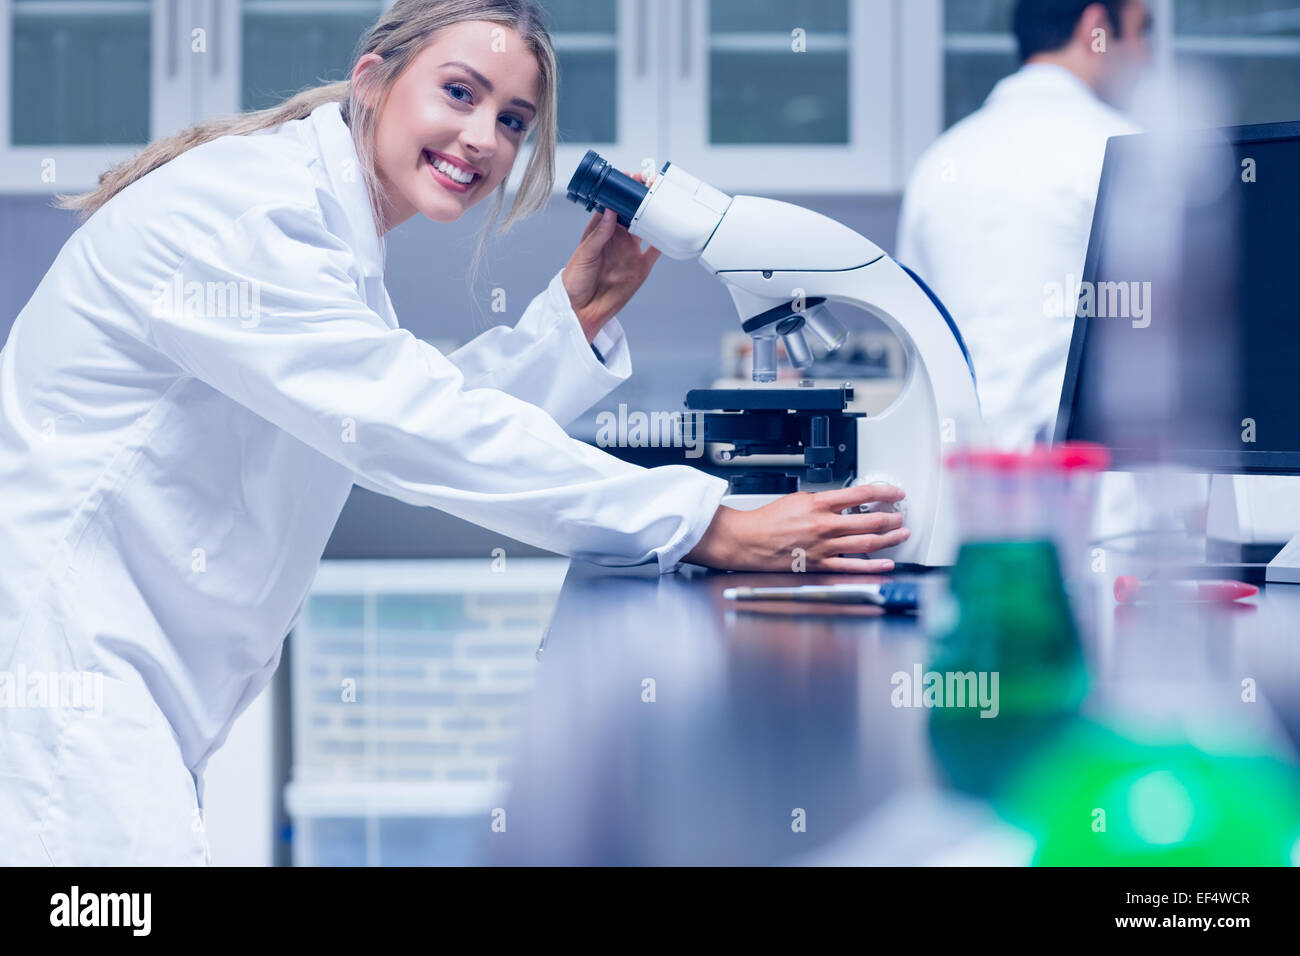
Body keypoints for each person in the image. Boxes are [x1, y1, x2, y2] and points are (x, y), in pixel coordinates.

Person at [0, 0, 910, 865]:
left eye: (515, 120)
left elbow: (402, 404)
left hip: (126, 682)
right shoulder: (252, 217)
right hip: (69, 679)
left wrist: (573, 315)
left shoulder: (321, 227)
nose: (484, 138)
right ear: (372, 80)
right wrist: (706, 521)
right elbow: (409, 425)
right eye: (461, 93)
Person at [897, 0, 1152, 450]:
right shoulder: (1120, 148)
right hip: (1093, 497)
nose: (1145, 56)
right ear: (1095, 27)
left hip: (965, 487)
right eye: (1140, 31)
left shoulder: (939, 163)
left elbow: (914, 336)